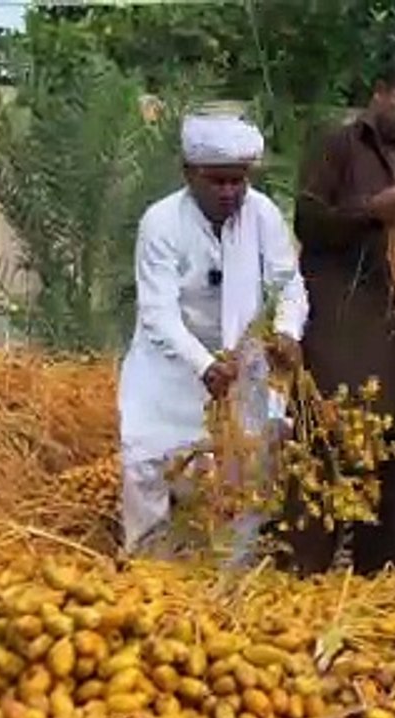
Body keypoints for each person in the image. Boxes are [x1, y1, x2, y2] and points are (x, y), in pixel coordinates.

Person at [291, 45, 395, 575]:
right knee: (332, 448)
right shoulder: (336, 148)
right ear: (379, 90)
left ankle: (379, 580)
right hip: (346, 335)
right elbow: (308, 224)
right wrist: (367, 213)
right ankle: (305, 580)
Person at [118, 114, 307, 557]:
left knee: (246, 467)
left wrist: (286, 331)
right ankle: (149, 571)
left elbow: (288, 282)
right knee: (150, 463)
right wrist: (203, 365)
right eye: (217, 181)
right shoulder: (161, 222)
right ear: (189, 175)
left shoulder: (263, 215)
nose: (229, 192)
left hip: (243, 364)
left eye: (238, 181)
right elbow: (157, 312)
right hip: (170, 368)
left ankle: (232, 574)